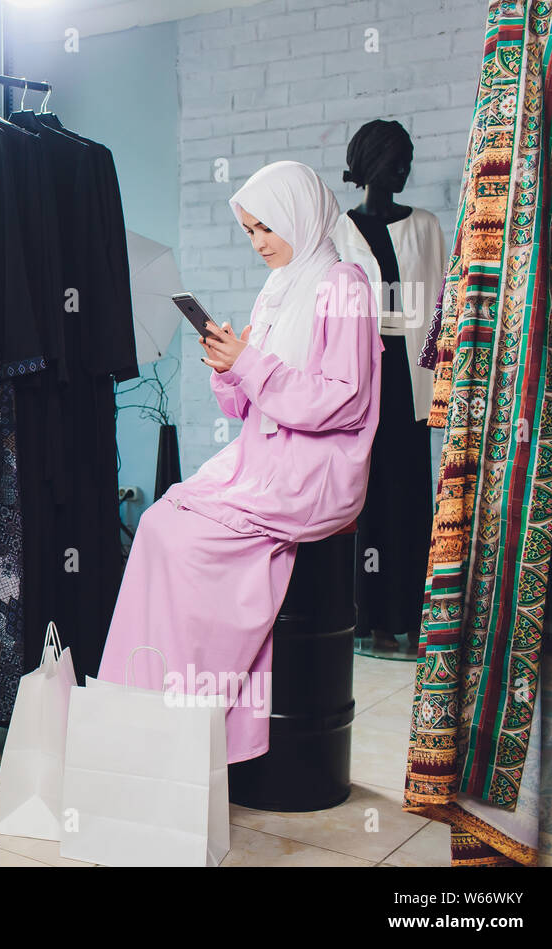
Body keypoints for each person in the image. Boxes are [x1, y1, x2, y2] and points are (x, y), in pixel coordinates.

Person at [97, 160, 383, 763]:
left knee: (185, 541)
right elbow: (250, 402)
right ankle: (147, 716)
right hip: (262, 455)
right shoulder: (279, 289)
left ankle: (193, 716)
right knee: (155, 526)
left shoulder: (344, 284)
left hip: (316, 469)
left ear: (299, 217)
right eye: (249, 231)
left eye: (265, 229)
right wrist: (228, 363)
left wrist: (250, 364)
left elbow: (344, 397)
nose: (257, 244)